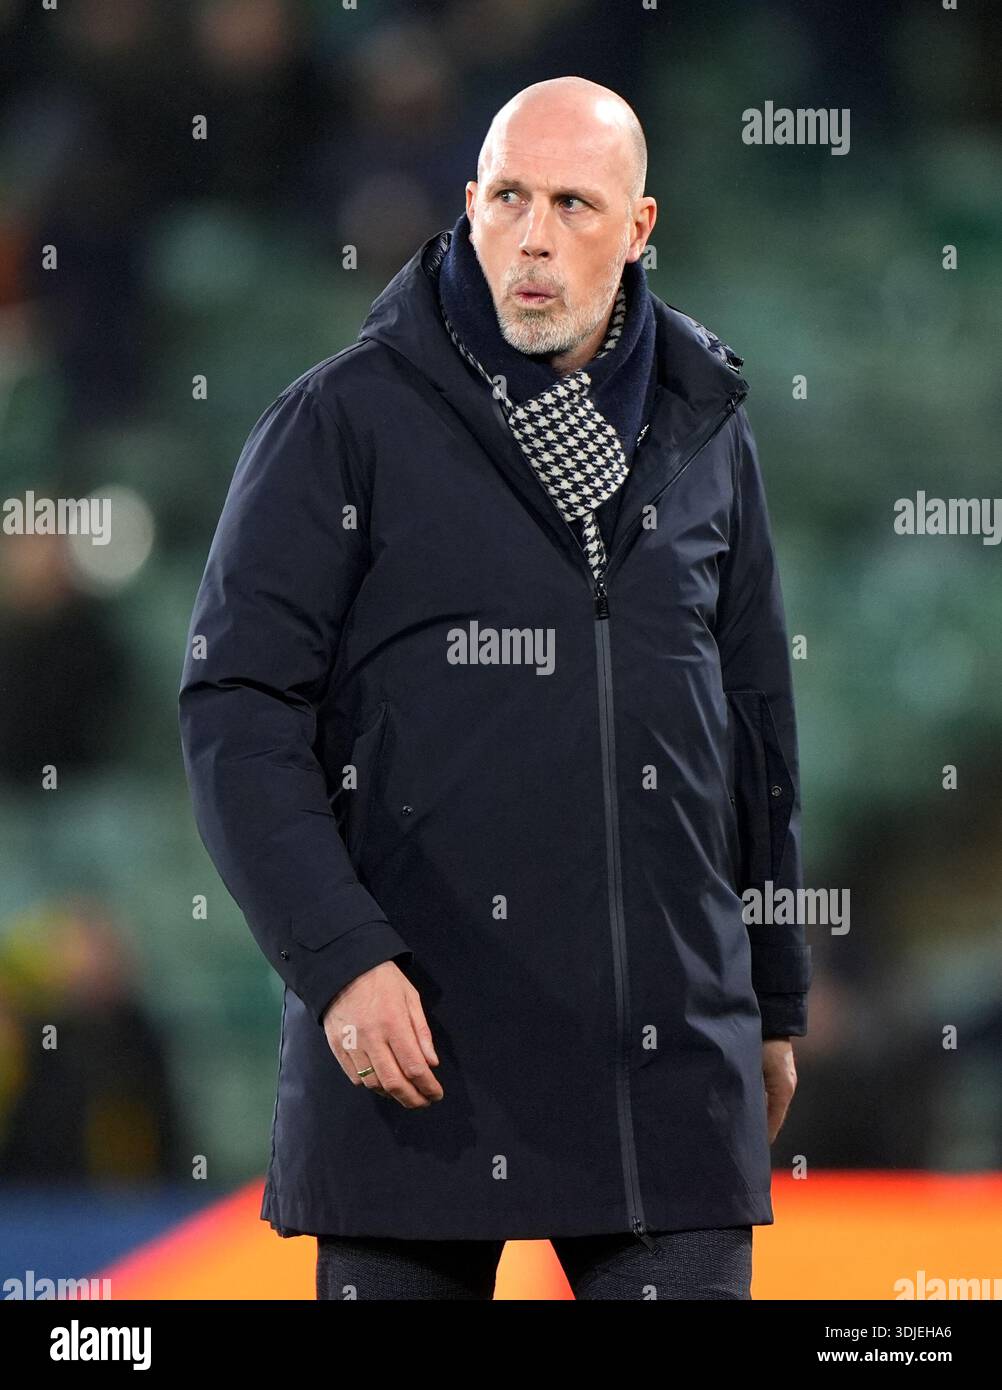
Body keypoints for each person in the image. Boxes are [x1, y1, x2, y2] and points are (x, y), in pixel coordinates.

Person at [178, 76, 812, 1300]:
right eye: (508, 196)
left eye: (575, 204)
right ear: (467, 205)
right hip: (409, 1055)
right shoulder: (339, 422)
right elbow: (236, 712)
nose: (532, 235)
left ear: (638, 231)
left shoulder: (708, 430)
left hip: (664, 1066)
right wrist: (339, 959)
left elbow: (756, 732)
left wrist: (774, 990)